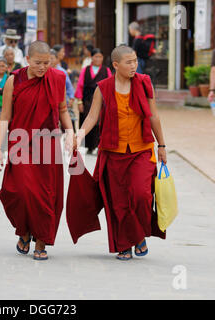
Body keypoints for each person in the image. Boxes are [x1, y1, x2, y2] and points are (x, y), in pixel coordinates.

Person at [70, 45, 167, 261]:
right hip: (113, 152)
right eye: (129, 62)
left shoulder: (143, 83)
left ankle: (139, 233)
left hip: (141, 150)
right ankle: (125, 243)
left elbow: (153, 116)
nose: (134, 66)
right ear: (116, 65)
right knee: (118, 201)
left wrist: (161, 145)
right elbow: (92, 116)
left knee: (141, 195)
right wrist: (79, 135)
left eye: (135, 61)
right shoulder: (103, 87)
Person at [0, 41, 76, 261]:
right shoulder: (15, 80)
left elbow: (63, 110)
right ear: (27, 60)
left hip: (48, 143)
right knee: (20, 191)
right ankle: (24, 229)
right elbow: (5, 115)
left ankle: (41, 241)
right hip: (20, 142)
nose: (42, 68)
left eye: (47, 63)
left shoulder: (57, 78)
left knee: (45, 195)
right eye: (38, 63)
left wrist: (70, 132)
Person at [75, 48, 112, 154]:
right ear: (91, 57)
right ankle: (87, 146)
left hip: (102, 101)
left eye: (100, 57)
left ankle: (98, 145)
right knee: (86, 120)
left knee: (100, 123)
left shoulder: (106, 70)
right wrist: (79, 102)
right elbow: (80, 86)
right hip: (87, 100)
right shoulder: (85, 70)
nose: (98, 59)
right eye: (96, 56)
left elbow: (110, 86)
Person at [49, 49, 76, 131]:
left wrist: (71, 98)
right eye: (48, 58)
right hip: (51, 102)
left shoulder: (62, 71)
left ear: (57, 59)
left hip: (62, 100)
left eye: (52, 58)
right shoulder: (43, 71)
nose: (50, 60)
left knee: (65, 122)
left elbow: (68, 86)